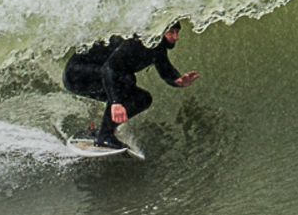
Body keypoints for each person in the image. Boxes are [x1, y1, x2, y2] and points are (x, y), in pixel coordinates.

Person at [62, 19, 200, 149]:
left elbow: (166, 70)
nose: (175, 38)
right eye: (171, 32)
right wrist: (116, 102)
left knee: (142, 98)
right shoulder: (137, 43)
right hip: (76, 74)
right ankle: (104, 136)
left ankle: (101, 132)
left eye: (177, 32)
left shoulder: (156, 46)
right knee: (127, 79)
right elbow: (108, 69)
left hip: (95, 76)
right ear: (162, 31)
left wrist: (178, 81)